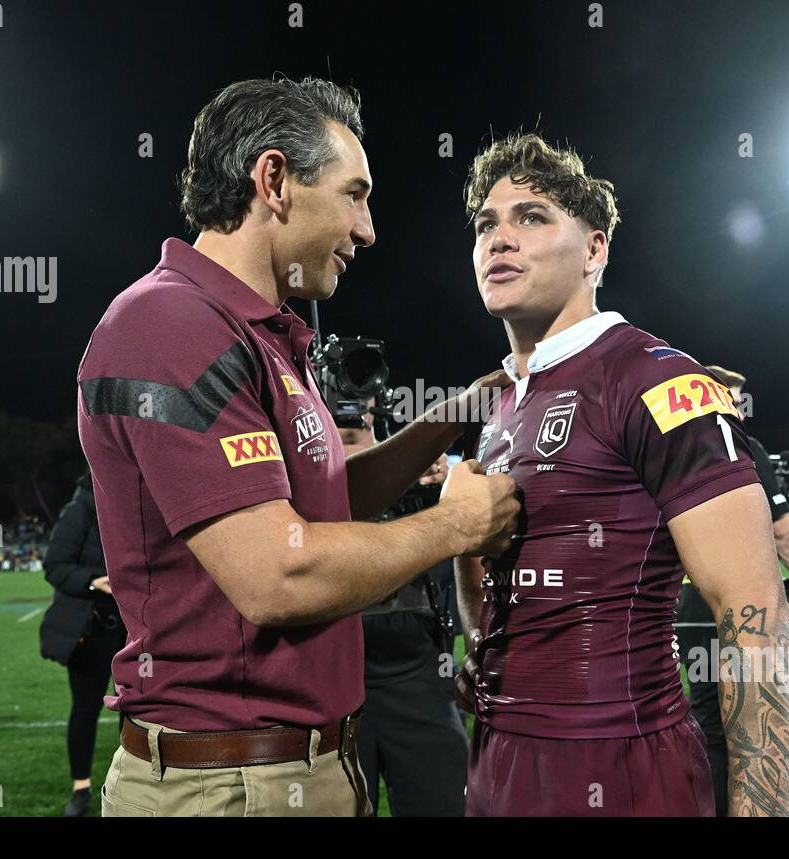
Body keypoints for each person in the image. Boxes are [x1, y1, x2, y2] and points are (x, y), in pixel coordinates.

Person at [76, 76, 519, 817]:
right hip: (230, 781)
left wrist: (453, 414)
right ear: (274, 179)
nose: (368, 228)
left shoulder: (259, 333)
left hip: (293, 766)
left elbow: (329, 499)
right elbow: (276, 576)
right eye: (355, 194)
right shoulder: (170, 324)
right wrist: (455, 526)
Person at [454, 133, 789, 816]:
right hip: (495, 760)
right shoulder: (500, 406)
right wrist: (488, 654)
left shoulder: (659, 379)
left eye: (531, 217)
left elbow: (754, 613)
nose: (499, 239)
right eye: (486, 224)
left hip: (620, 764)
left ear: (595, 248)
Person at [675, 365, 789, 816]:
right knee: (778, 728)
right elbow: (785, 533)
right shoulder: (739, 446)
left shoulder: (667, 449)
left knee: (710, 724)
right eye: (734, 399)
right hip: (743, 602)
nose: (740, 409)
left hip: (690, 605)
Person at [340, 412, 469, 816]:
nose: (367, 450)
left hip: (420, 679)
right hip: (335, 689)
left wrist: (437, 500)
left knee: (444, 803)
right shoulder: (300, 483)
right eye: (347, 436)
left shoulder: (413, 483)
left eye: (367, 433)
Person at [39, 468, 127, 817]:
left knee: (135, 713)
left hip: (136, 631)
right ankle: (81, 790)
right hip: (93, 629)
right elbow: (55, 565)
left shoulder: (141, 498)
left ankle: (131, 785)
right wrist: (95, 581)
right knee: (85, 709)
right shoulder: (82, 504)